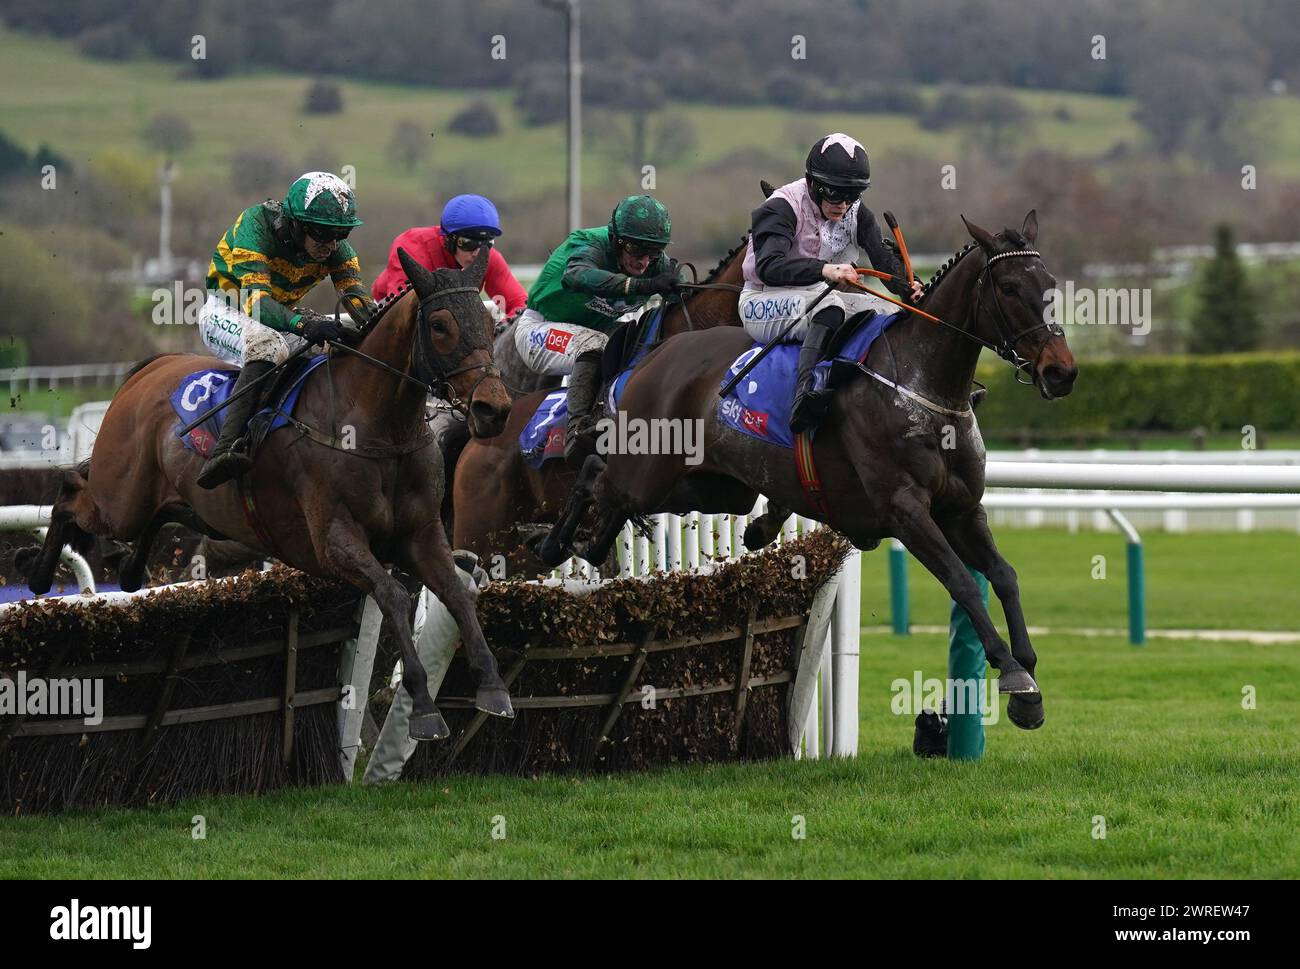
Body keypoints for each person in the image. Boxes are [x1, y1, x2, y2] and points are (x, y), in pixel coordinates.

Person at [197, 171, 372, 488]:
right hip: (226, 309)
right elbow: (258, 305)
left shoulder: (336, 250)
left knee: (335, 344)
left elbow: (357, 301)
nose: (331, 245)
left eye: (341, 234)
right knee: (268, 346)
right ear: (296, 223)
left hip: (280, 315)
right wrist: (304, 324)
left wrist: (373, 325)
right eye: (322, 233)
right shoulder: (256, 225)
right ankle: (222, 451)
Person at [741, 133, 925, 433]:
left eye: (851, 196)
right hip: (762, 300)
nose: (844, 205)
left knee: (888, 312)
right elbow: (770, 266)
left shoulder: (856, 211)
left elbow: (884, 262)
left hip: (820, 298)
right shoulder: (782, 206)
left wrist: (910, 284)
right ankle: (806, 393)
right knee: (829, 306)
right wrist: (825, 270)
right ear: (813, 183)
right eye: (836, 195)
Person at [514, 195, 679, 465]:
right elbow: (576, 275)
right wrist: (640, 287)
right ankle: (577, 431)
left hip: (594, 331)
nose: (644, 262)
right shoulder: (590, 243)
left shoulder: (654, 261)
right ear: (617, 240)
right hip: (539, 329)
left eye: (653, 253)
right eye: (637, 251)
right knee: (595, 344)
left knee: (639, 345)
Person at [371, 194, 527, 318]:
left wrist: (498, 335)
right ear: (448, 240)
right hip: (388, 311)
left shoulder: (488, 257)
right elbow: (405, 312)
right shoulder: (413, 246)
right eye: (467, 243)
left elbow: (521, 306)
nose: (478, 253)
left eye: (487, 244)